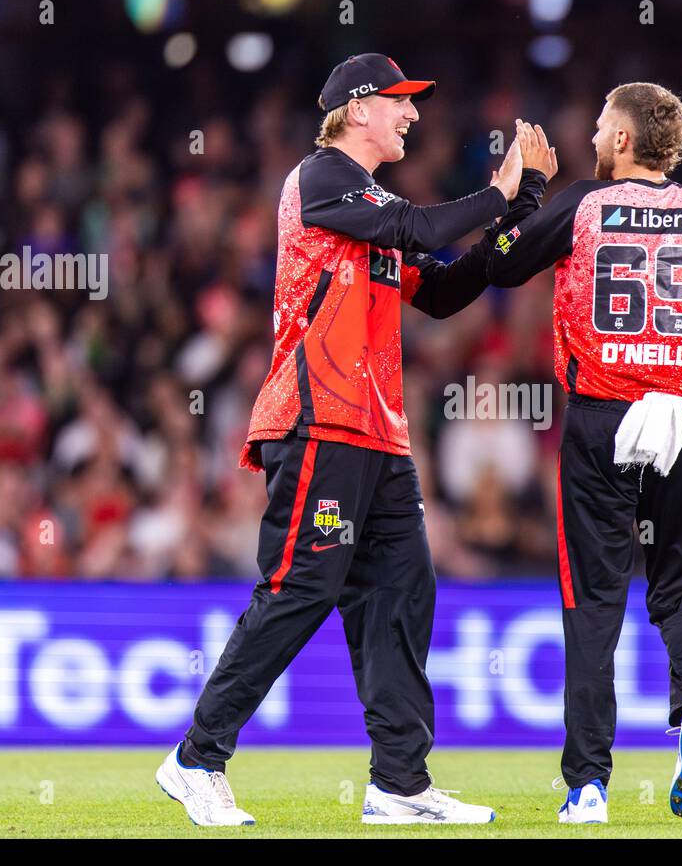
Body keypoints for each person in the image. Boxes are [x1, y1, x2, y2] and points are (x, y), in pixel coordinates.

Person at [156, 53, 556, 826]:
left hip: (376, 432)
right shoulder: (319, 179)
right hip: (317, 423)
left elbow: (440, 290)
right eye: (401, 102)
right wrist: (499, 189)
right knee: (300, 589)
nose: (413, 115)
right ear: (357, 108)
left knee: (404, 591)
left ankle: (399, 783)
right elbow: (418, 226)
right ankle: (196, 758)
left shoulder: (368, 203)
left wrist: (520, 210)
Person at [488, 82, 682, 823]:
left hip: (600, 422)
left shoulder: (583, 205)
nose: (589, 133)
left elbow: (504, 263)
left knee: (593, 602)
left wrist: (526, 197)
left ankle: (587, 785)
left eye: (599, 124)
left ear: (622, 140)